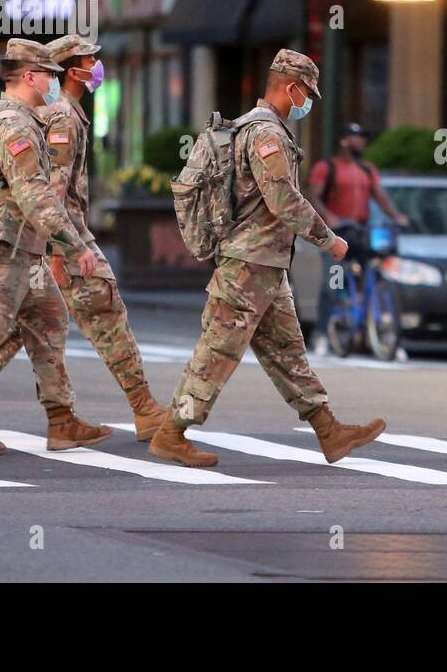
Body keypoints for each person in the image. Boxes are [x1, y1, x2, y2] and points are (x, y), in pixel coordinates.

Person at [149, 49, 387, 468]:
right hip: (248, 264)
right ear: (291, 87)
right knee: (217, 351)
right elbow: (283, 199)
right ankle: (171, 433)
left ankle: (328, 430)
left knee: (287, 351)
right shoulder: (266, 134)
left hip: (265, 264)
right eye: (306, 93)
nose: (308, 102)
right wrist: (327, 238)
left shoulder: (266, 129)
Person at [0, 35, 169, 442]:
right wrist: (60, 252)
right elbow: (53, 188)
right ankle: (145, 409)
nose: (98, 65)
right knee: (106, 312)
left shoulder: (68, 112)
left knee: (20, 330)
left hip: (57, 239)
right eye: (91, 58)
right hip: (66, 239)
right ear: (72, 67)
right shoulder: (61, 116)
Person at [0, 39, 110, 456]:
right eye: (49, 74)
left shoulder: (14, 118)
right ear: (29, 76)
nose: (55, 82)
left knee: (48, 321)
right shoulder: (14, 125)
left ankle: (62, 420)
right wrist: (72, 243)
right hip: (0, 244)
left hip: (21, 246)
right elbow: (34, 194)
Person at [304, 122, 407, 352]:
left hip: (360, 231)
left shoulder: (368, 169)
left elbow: (381, 197)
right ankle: (322, 333)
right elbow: (313, 196)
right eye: (356, 137)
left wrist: (396, 216)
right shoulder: (326, 167)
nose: (362, 142)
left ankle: (375, 331)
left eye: (363, 137)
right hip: (337, 234)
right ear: (344, 141)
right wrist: (330, 217)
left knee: (373, 272)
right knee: (334, 282)